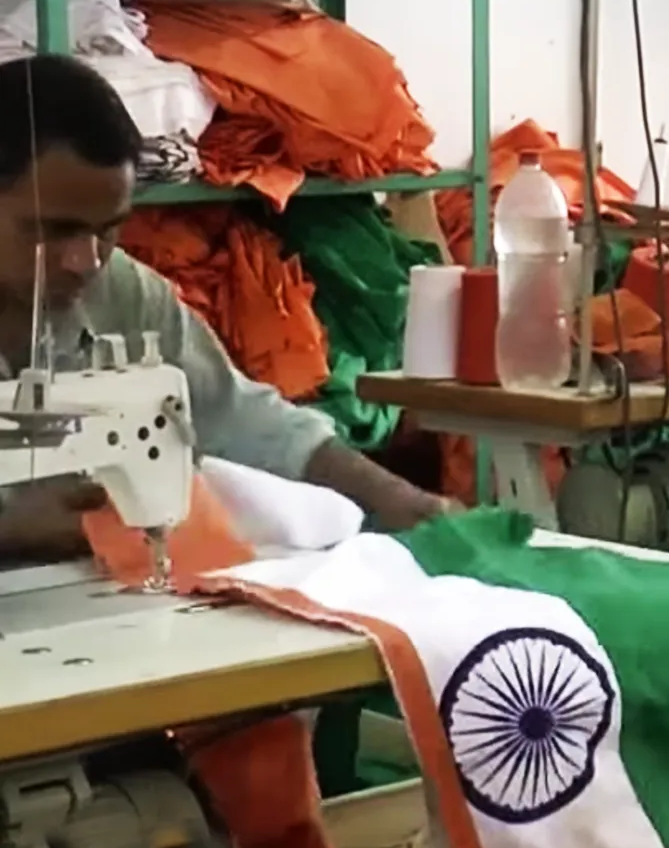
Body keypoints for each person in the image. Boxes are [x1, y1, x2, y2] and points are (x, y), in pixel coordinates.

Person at [0, 54, 453, 561]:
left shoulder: (120, 291)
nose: (85, 261)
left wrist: (394, 496)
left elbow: (239, 418)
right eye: (53, 229)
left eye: (107, 228)